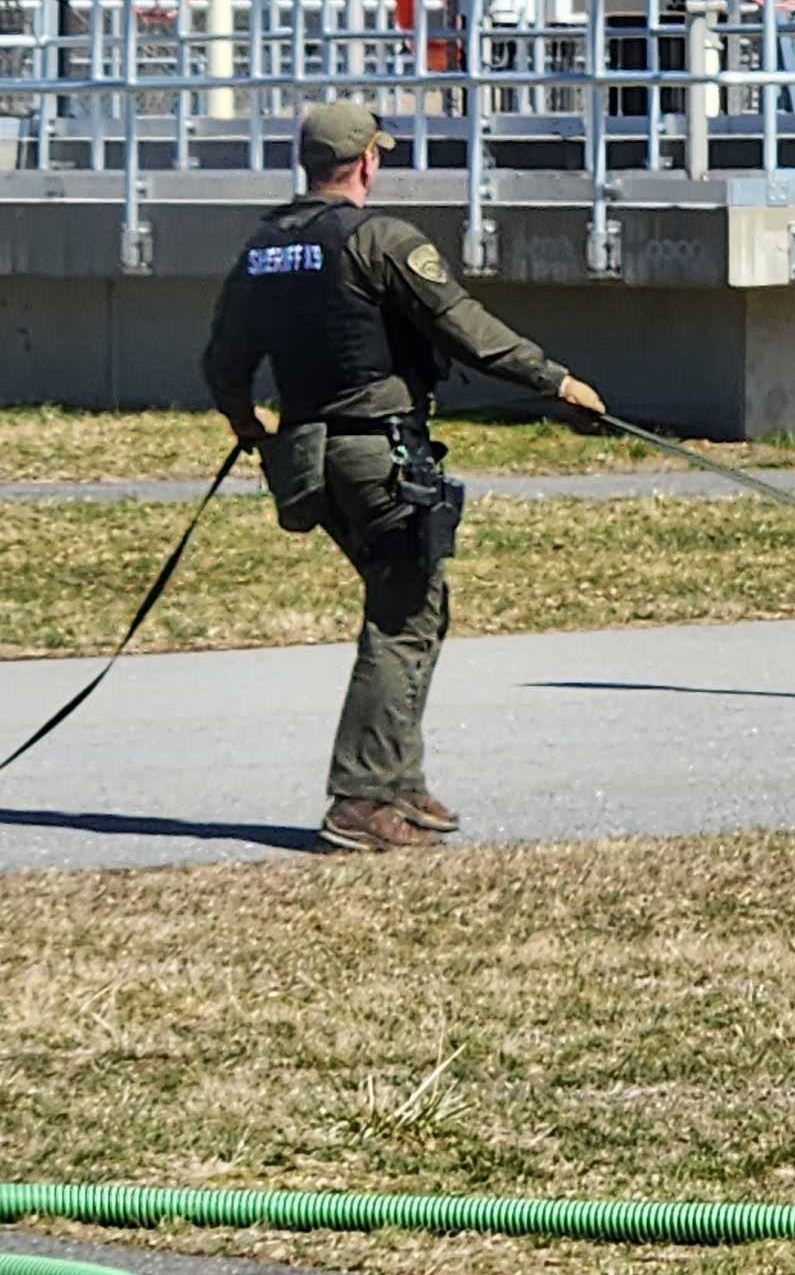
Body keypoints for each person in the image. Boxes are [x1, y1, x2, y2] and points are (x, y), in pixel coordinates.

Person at [202, 100, 606, 853]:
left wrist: (247, 427)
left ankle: (398, 783)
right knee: (403, 615)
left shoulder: (264, 247)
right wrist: (556, 383)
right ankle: (360, 801)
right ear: (364, 163)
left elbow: (223, 362)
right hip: (374, 455)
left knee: (411, 603)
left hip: (307, 460)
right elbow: (467, 328)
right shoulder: (381, 240)